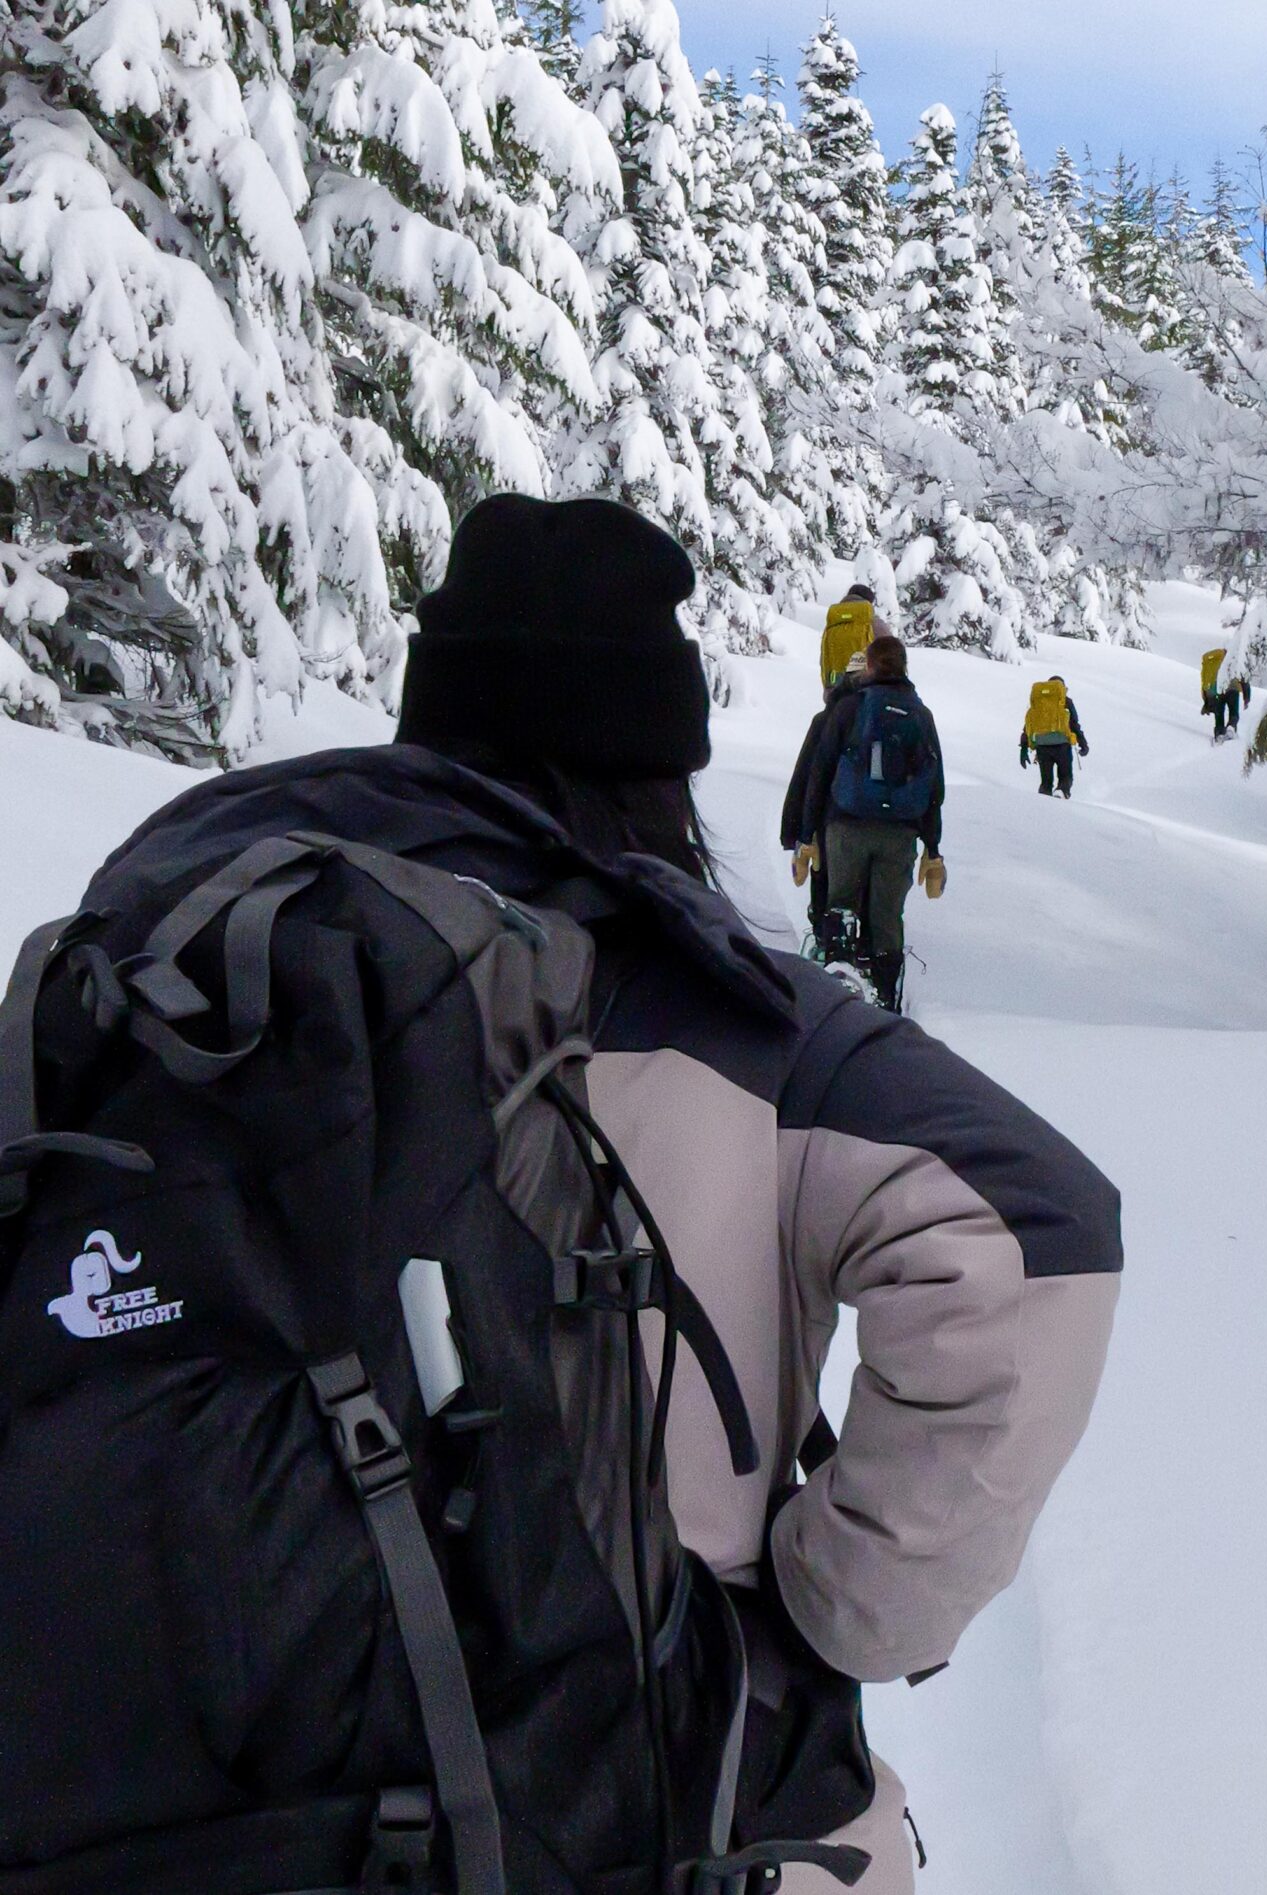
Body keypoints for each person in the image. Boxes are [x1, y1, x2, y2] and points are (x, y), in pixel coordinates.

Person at [3, 496, 1114, 1893]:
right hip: (617, 1807)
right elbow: (1039, 1232)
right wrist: (844, 1607)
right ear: (653, 747)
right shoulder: (741, 1018)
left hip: (156, 1802)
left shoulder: (186, 960)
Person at [796, 634, 944, 1014]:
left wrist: (806, 833)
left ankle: (838, 996)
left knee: (841, 905)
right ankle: (886, 1003)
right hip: (900, 833)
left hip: (846, 826)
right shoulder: (920, 714)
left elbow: (820, 772)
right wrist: (933, 847)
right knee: (886, 917)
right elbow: (934, 785)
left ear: (873, 667)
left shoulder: (850, 708)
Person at [784, 647, 867, 946]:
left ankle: (825, 941)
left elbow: (807, 774)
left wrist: (798, 831)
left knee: (825, 884)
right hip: (877, 820)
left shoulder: (827, 717)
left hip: (827, 817)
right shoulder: (881, 715)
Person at [1018, 675, 1088, 798]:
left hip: (1042, 746)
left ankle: (1044, 803)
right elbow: (1074, 724)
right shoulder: (1066, 701)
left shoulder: (1039, 702)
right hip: (1062, 746)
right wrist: (1083, 743)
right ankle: (1061, 791)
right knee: (1066, 777)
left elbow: (1029, 725)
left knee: (1046, 782)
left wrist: (1024, 748)